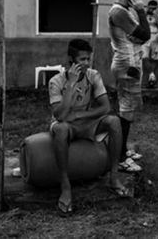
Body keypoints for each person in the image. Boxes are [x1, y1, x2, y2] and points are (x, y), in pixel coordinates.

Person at [48, 39, 129, 215]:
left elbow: (105, 107)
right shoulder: (56, 81)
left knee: (114, 121)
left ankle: (114, 177)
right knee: (61, 129)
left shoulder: (93, 76)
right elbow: (60, 116)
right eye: (82, 59)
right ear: (71, 60)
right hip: (65, 125)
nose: (86, 63)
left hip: (84, 123)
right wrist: (70, 85)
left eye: (88, 59)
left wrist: (79, 115)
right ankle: (65, 186)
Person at [108, 0, 150, 173]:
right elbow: (145, 35)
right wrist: (141, 11)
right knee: (126, 111)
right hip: (126, 65)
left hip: (131, 63)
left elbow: (138, 36)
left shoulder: (125, 11)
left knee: (129, 110)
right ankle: (120, 157)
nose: (140, 0)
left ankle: (123, 149)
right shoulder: (119, 12)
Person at [141, 0, 158, 88]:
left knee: (155, 58)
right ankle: (152, 74)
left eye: (154, 8)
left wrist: (156, 17)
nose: (151, 9)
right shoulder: (143, 15)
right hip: (145, 39)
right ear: (147, 7)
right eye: (150, 7)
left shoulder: (157, 16)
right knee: (144, 57)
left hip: (155, 37)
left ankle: (151, 76)